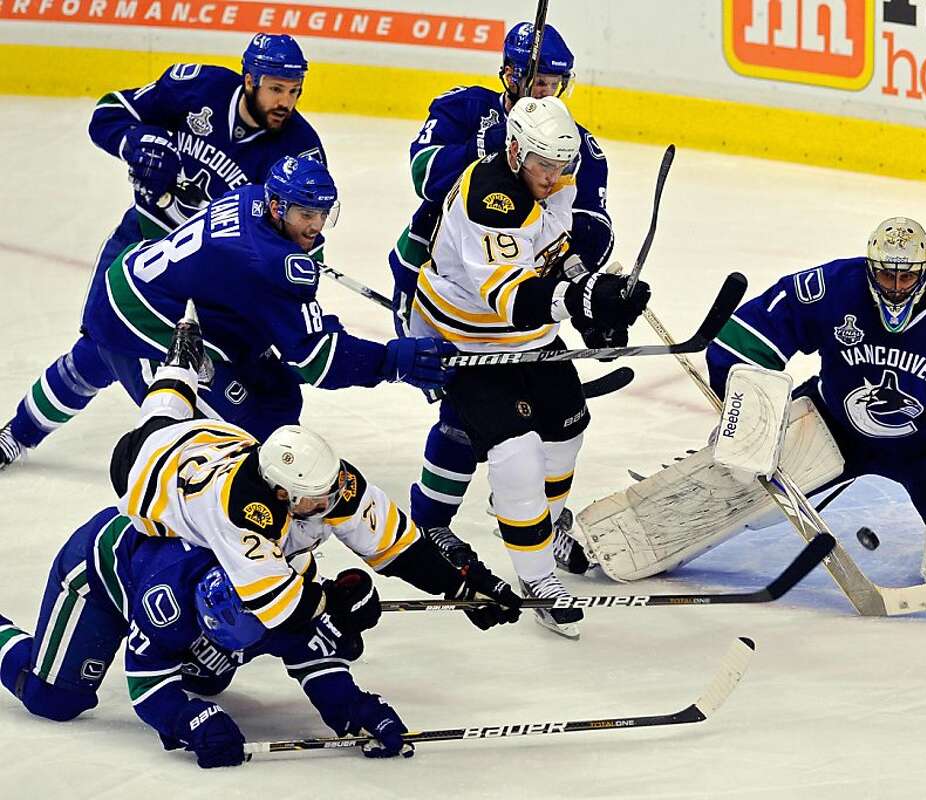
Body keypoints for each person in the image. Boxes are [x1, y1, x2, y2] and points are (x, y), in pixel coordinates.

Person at [0, 33, 329, 469]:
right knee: (98, 351)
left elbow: (303, 240)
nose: (285, 101)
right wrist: (133, 143)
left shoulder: (298, 153)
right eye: (275, 88)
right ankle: (18, 433)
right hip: (139, 246)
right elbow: (109, 112)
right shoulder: (197, 89)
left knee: (219, 383)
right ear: (249, 78)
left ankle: (214, 473)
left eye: (293, 91)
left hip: (210, 282)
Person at [103, 302, 522, 636]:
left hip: (207, 440)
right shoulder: (240, 512)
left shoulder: (325, 483)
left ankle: (181, 360)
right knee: (161, 424)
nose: (336, 501)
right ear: (282, 495)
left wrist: (462, 585)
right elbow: (278, 608)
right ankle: (177, 366)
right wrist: (334, 602)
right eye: (321, 498)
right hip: (148, 474)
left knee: (171, 403)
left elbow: (398, 545)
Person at [410, 94, 648, 639]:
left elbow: (553, 249)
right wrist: (580, 300)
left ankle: (529, 518)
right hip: (463, 337)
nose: (553, 176)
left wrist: (597, 304)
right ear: (515, 151)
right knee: (517, 454)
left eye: (562, 166)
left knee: (568, 429)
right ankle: (540, 580)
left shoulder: (556, 177)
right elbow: (510, 298)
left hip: (527, 335)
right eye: (543, 164)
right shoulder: (489, 197)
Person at [387, 22, 613, 572]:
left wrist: (592, 299)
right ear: (509, 74)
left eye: (555, 84)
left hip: (520, 296)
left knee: (517, 419)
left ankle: (533, 518)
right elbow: (424, 175)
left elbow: (591, 229)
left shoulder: (570, 145)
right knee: (464, 411)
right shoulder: (464, 109)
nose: (544, 93)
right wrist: (488, 150)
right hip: (440, 279)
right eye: (536, 81)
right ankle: (431, 525)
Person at [705, 217, 926, 521]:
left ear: (924, 272)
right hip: (833, 427)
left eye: (905, 278)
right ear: (869, 267)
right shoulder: (833, 289)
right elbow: (746, 338)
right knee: (733, 487)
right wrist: (747, 415)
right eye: (885, 275)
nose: (894, 287)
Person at [77, 154, 454, 440]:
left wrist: (303, 324)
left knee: (278, 392)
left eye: (323, 214)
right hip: (136, 322)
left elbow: (262, 296)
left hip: (171, 295)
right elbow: (316, 362)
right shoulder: (273, 262)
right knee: (247, 432)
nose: (316, 226)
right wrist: (391, 361)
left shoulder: (252, 196)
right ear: (278, 208)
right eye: (306, 214)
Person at [0, 509, 414, 768]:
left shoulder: (277, 593)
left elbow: (312, 657)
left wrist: (354, 710)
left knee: (206, 678)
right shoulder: (167, 602)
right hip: (100, 574)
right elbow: (146, 687)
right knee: (51, 698)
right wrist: (189, 721)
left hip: (184, 588)